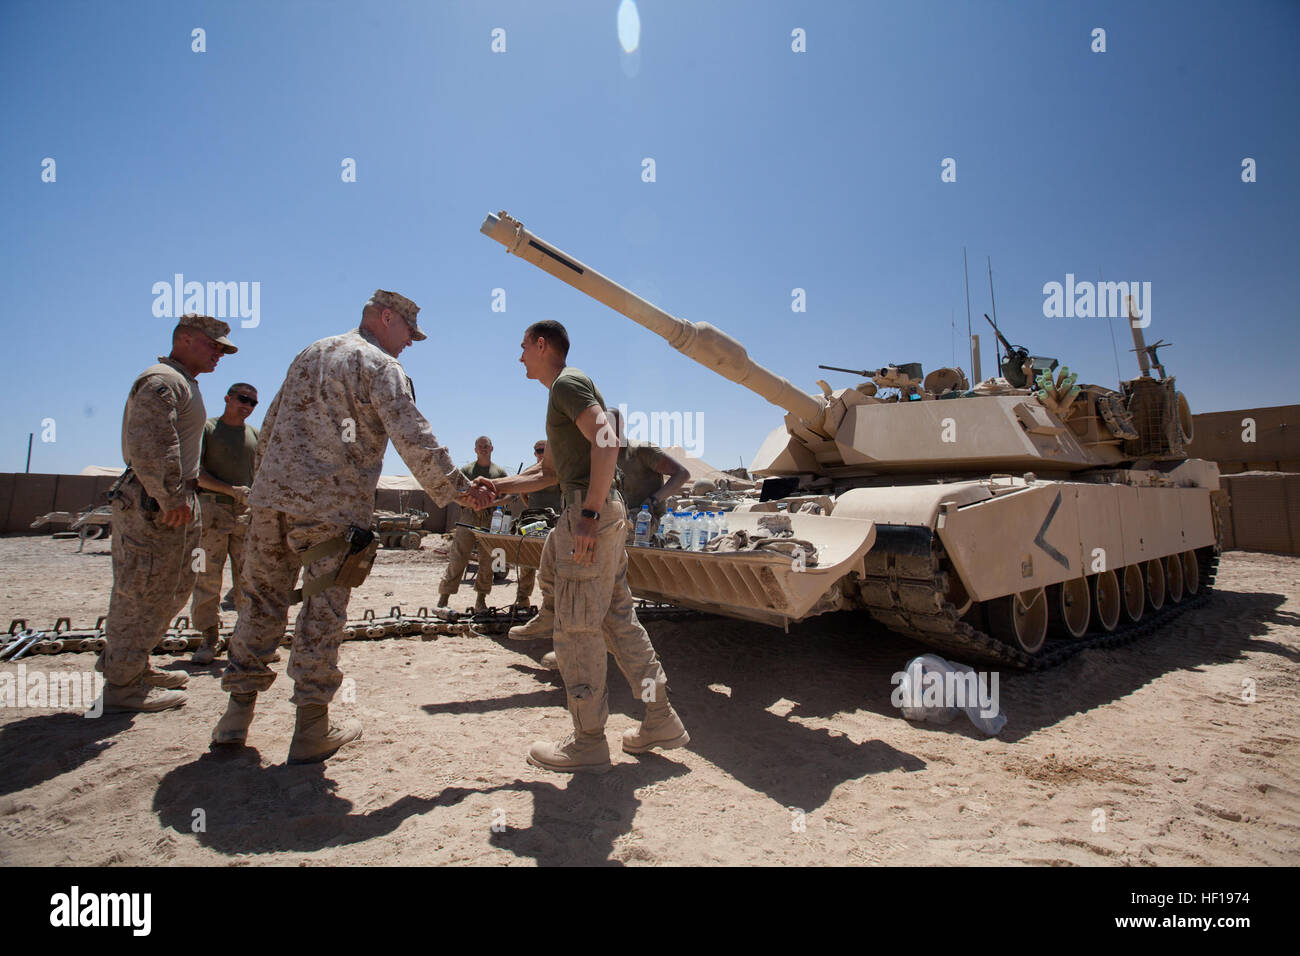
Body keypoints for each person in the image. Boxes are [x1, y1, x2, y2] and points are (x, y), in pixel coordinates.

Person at [210, 290, 495, 763]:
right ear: (386, 318)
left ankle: (235, 718)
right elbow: (413, 437)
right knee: (321, 612)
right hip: (330, 511)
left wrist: (265, 489)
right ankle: (312, 728)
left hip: (271, 504)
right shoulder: (381, 367)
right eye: (408, 332)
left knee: (258, 602)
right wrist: (461, 490)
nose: (410, 343)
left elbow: (273, 423)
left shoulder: (312, 352)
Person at [481, 320, 689, 773]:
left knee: (576, 631)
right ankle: (660, 718)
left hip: (590, 515)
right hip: (599, 512)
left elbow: (607, 438)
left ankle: (588, 741)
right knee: (619, 623)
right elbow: (548, 474)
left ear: (541, 345)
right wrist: (495, 487)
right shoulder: (564, 396)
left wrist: (589, 514)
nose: (519, 357)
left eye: (523, 347)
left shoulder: (567, 384)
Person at [96, 314, 237, 713]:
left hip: (169, 499)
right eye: (213, 346)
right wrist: (171, 496)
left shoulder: (184, 383)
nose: (219, 355)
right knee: (140, 587)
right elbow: (151, 444)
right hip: (155, 501)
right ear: (185, 339)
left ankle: (132, 665)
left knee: (170, 585)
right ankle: (122, 685)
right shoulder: (162, 380)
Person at [507, 416, 689, 649]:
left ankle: (578, 646)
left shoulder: (640, 451)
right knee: (559, 543)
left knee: (593, 566)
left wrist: (653, 500)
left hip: (640, 520)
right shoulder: (598, 454)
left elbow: (682, 474)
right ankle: (553, 615)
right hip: (611, 519)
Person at [190, 383, 261, 665]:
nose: (247, 405)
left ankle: (245, 639)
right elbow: (196, 473)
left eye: (253, 402)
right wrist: (231, 490)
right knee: (207, 576)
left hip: (245, 516)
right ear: (228, 398)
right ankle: (209, 637)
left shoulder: (253, 436)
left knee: (248, 579)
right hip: (212, 513)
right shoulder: (207, 430)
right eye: (243, 399)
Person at [437, 436, 507, 612]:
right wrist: (471, 504)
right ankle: (444, 599)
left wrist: (488, 504)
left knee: (487, 560)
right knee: (458, 556)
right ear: (475, 449)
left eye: (486, 446)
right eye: (480, 446)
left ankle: (480, 601)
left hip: (490, 518)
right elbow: (455, 494)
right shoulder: (467, 471)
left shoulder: (498, 473)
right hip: (468, 516)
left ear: (492, 448)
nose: (483, 449)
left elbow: (508, 496)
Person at [511, 439, 561, 611]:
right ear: (535, 453)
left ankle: (550, 604)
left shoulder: (559, 471)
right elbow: (524, 494)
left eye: (545, 450)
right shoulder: (529, 472)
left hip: (554, 523)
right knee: (526, 560)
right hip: (533, 522)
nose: (542, 454)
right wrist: (534, 511)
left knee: (552, 564)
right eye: (539, 450)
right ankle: (522, 599)